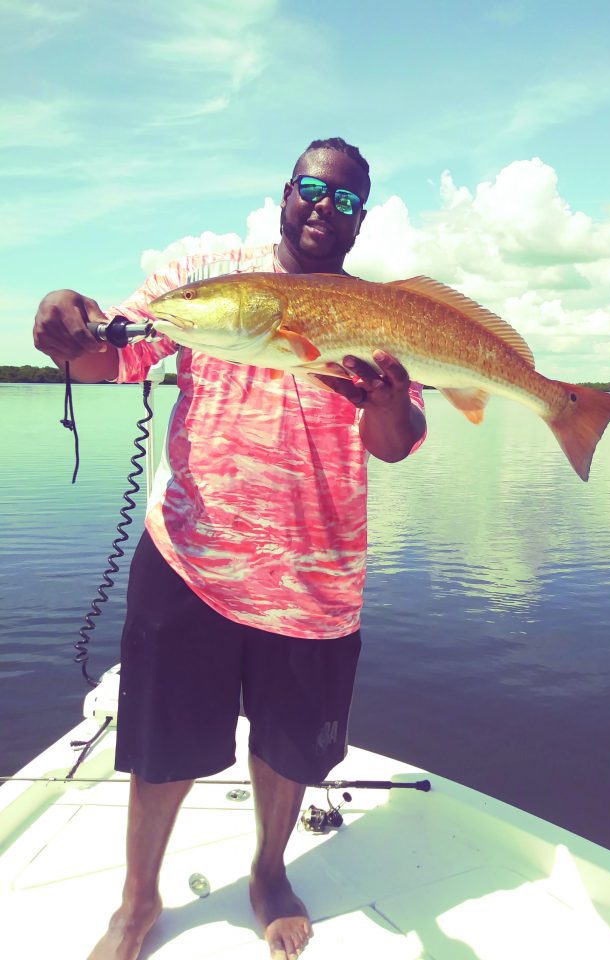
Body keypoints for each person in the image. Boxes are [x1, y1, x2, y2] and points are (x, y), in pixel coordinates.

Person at [33, 137, 427, 960]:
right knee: (162, 743)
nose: (325, 208)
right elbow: (118, 351)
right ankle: (137, 901)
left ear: (362, 217)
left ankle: (269, 871)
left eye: (346, 200)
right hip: (193, 558)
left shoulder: (381, 314)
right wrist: (69, 324)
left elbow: (395, 442)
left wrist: (390, 400)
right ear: (285, 194)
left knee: (287, 746)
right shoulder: (208, 275)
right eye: (311, 191)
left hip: (316, 575)